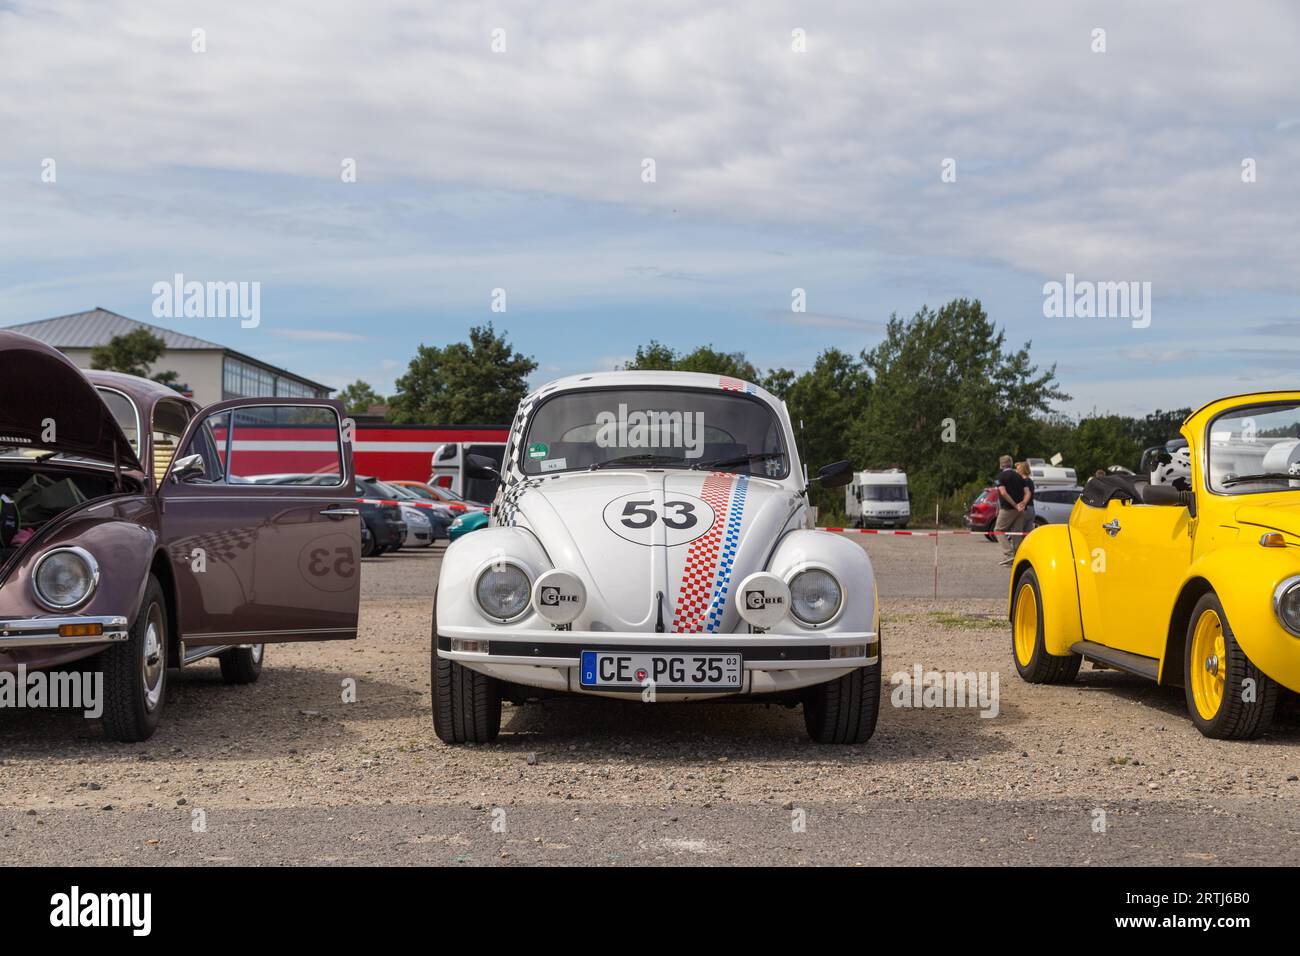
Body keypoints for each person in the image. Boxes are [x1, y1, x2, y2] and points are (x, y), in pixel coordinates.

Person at [994, 454, 1029, 566]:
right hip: (1021, 510)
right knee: (1016, 533)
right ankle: (1018, 557)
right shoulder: (1019, 476)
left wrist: (1014, 505)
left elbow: (1003, 492)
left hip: (1008, 509)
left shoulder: (1000, 477)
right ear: (1011, 463)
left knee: (998, 530)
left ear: (1001, 465)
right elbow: (1027, 492)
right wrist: (1022, 503)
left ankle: (1009, 555)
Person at [1016, 461, 1036, 529]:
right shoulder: (1030, 481)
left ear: (1022, 470)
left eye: (1018, 469)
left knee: (1017, 532)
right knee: (1027, 534)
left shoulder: (1023, 481)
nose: (1016, 471)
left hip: (1024, 509)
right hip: (1031, 508)